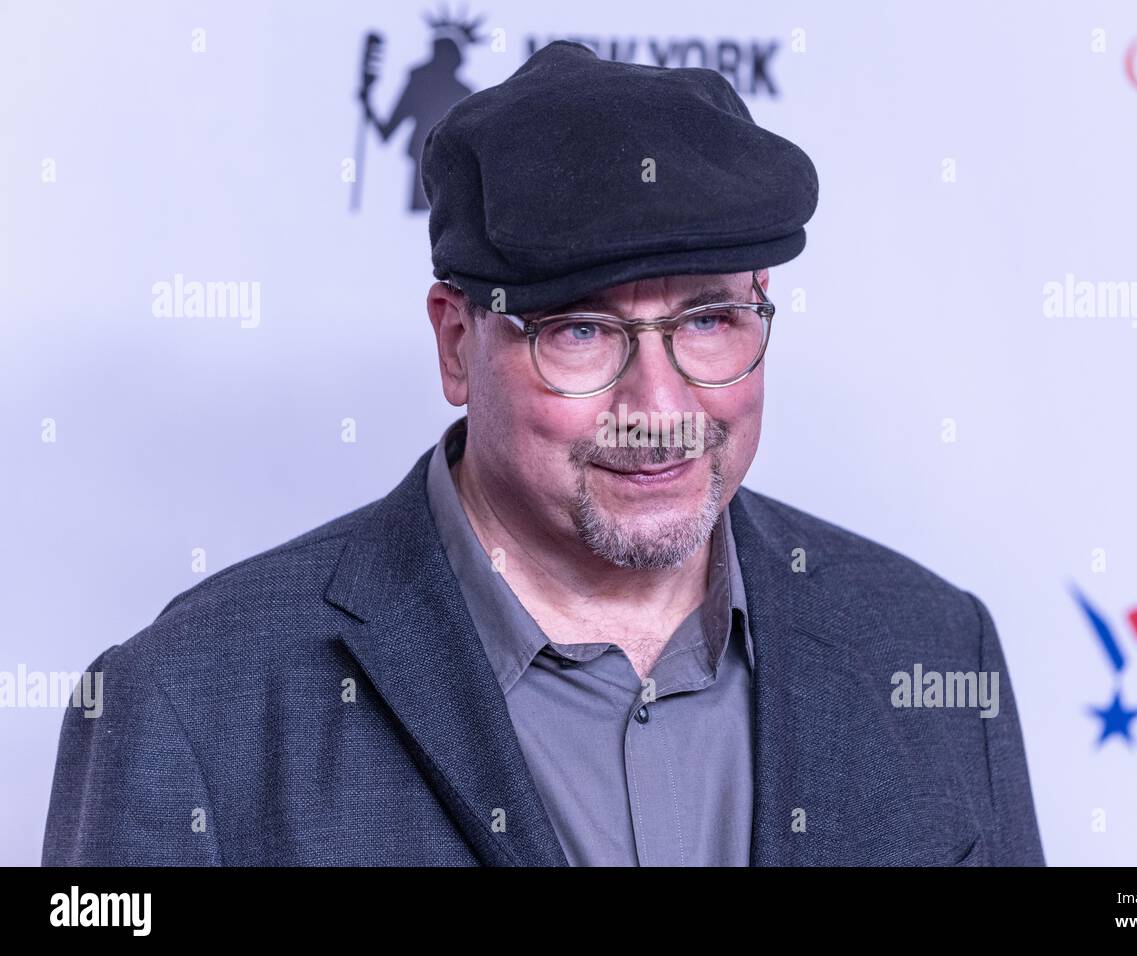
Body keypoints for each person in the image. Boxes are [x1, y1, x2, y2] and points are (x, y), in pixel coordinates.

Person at [42, 40, 1045, 866]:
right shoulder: (192, 698)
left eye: (709, 321)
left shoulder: (930, 646)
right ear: (453, 341)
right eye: (580, 333)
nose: (658, 407)